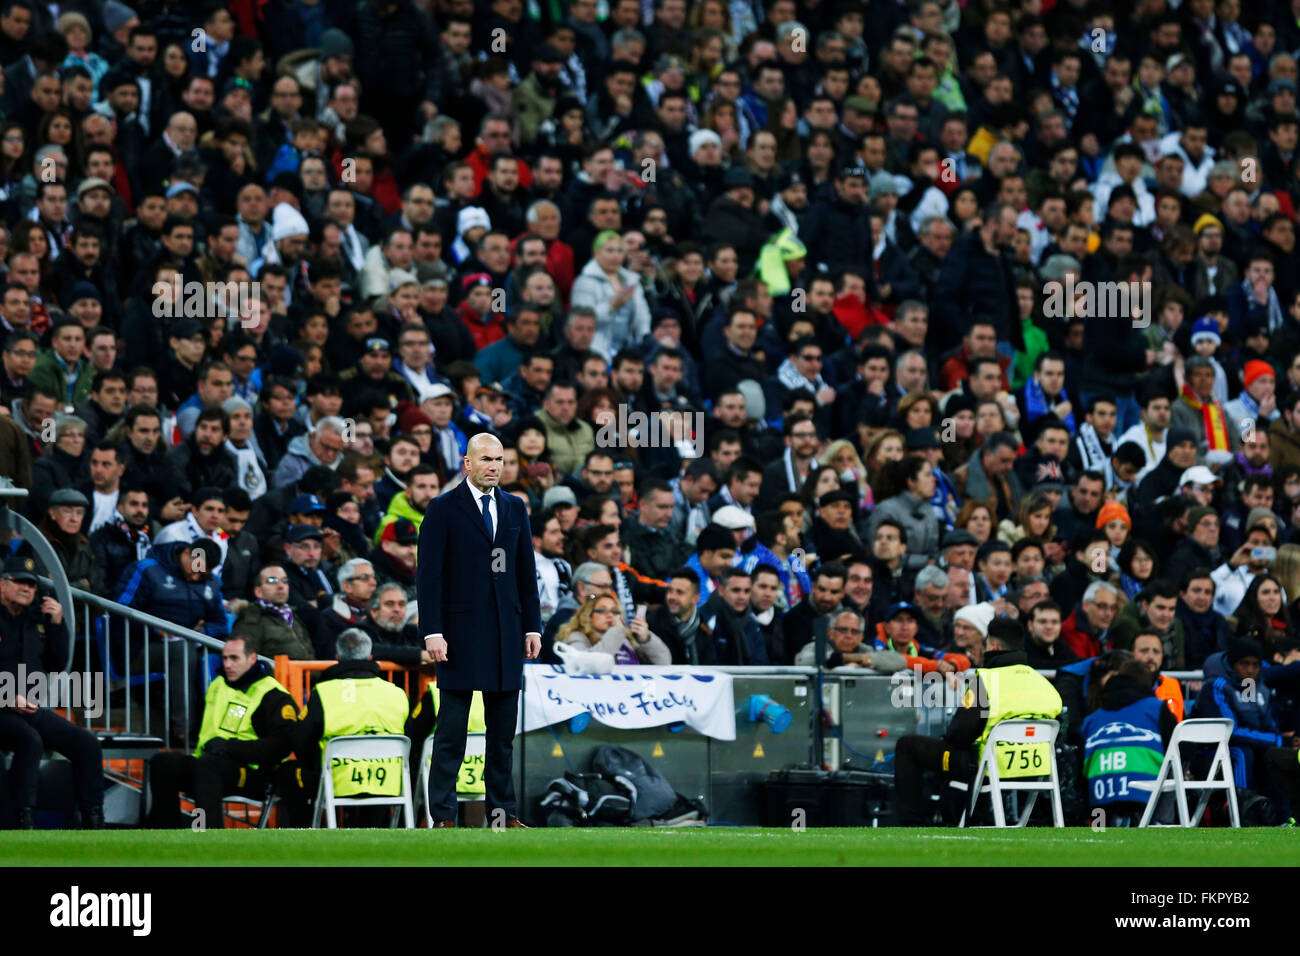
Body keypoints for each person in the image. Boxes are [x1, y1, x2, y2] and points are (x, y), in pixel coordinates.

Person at [417, 432, 541, 827]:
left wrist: (532, 627)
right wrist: (432, 631)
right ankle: (442, 817)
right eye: (486, 459)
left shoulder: (514, 508)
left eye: (500, 460)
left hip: (507, 634)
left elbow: (525, 573)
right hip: (459, 638)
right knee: (451, 733)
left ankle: (503, 816)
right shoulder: (442, 509)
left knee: (501, 738)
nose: (494, 466)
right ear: (466, 463)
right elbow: (429, 576)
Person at [893, 617, 1063, 826]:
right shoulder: (1043, 683)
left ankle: (911, 824)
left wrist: (949, 737)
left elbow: (959, 734)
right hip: (1036, 768)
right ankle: (973, 817)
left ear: (993, 645)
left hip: (990, 767)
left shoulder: (986, 681)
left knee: (908, 746)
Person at [147, 635, 301, 829]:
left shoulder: (272, 694)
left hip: (254, 773)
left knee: (207, 767)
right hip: (210, 763)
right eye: (225, 658)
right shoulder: (218, 685)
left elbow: (280, 747)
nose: (227, 664)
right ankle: (165, 835)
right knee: (163, 763)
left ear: (252, 658)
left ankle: (206, 834)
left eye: (234, 658)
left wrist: (230, 748)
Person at [0, 555, 104, 829]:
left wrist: (57, 624)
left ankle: (93, 819)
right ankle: (23, 819)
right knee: (29, 739)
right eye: (20, 582)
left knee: (87, 743)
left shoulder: (38, 620)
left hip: (29, 708)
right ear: (2, 583)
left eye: (32, 585)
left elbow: (58, 663)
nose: (27, 589)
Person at [293, 628, 412, 824]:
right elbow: (410, 741)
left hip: (335, 781)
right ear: (371, 657)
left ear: (337, 657)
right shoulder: (397, 693)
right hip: (389, 782)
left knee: (293, 772)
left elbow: (301, 742)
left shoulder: (323, 693)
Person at [1081, 657, 1178, 826]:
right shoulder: (1156, 708)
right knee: (1175, 758)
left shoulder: (1092, 719)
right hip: (1145, 795)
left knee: (1101, 836)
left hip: (1100, 797)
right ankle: (1162, 822)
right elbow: (1185, 749)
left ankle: (1098, 828)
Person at [557, 592, 671, 664]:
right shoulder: (576, 636)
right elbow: (588, 663)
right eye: (602, 610)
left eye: (614, 611)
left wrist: (645, 638)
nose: (610, 615)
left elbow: (664, 661)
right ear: (589, 615)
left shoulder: (626, 639)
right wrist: (616, 631)